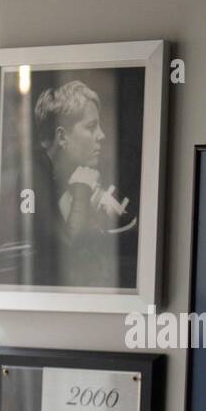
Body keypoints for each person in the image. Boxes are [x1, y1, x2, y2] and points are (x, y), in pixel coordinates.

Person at [22, 80, 133, 288]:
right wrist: (82, 191)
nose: (102, 135)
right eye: (91, 127)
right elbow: (65, 253)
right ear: (62, 137)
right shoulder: (33, 175)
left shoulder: (53, 172)